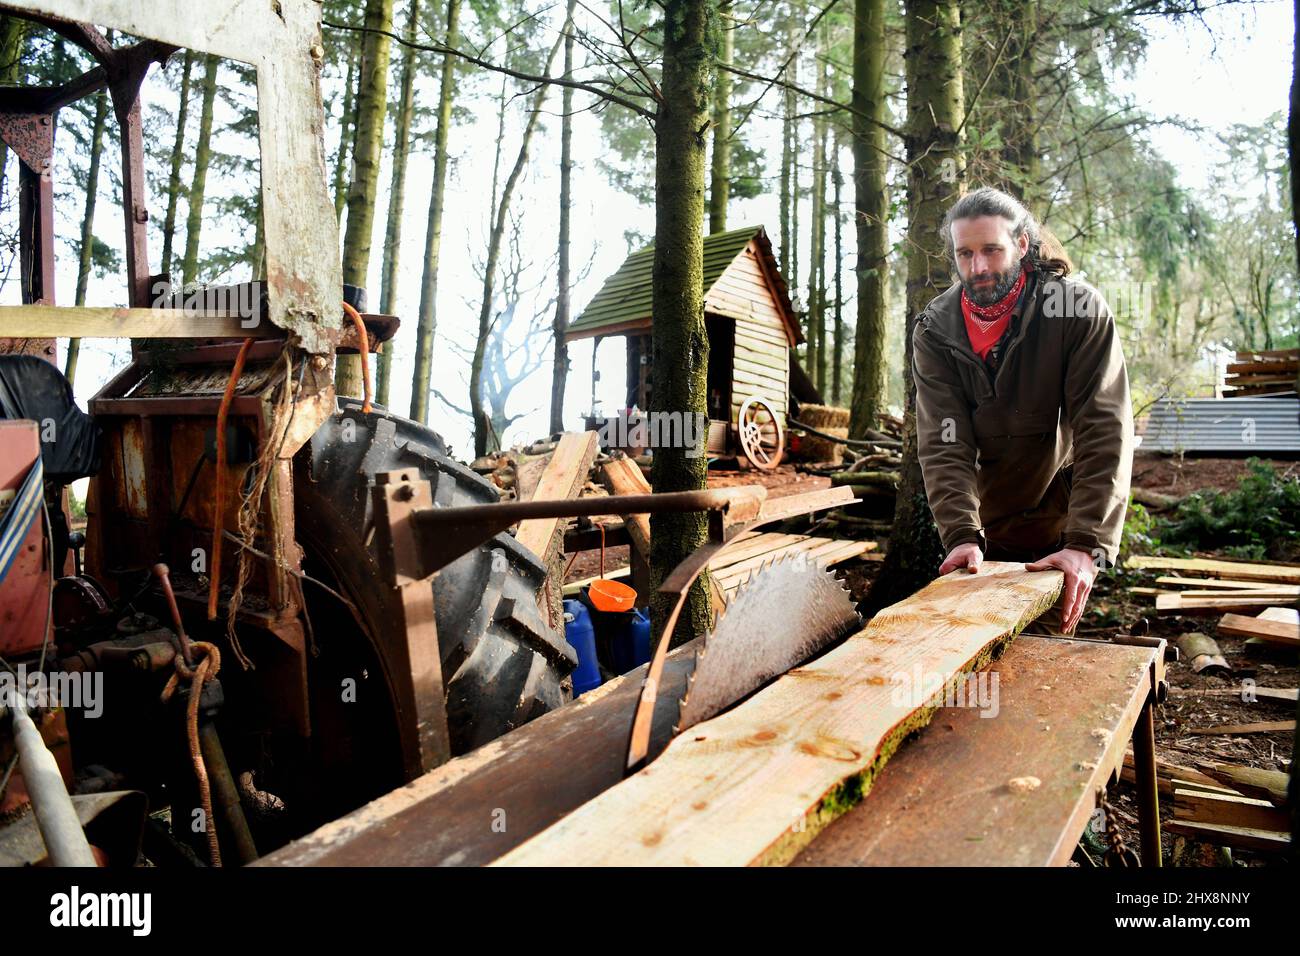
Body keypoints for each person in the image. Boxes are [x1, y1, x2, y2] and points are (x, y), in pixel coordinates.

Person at [913, 186, 1134, 632]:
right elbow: (944, 440)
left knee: (1041, 660)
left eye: (992, 250)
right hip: (987, 527)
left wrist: (1085, 544)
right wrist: (960, 534)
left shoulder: (1073, 309)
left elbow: (1104, 429)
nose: (978, 268)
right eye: (965, 254)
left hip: (1061, 522)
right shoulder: (936, 329)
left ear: (1021, 244)